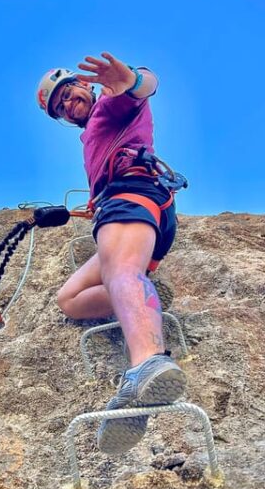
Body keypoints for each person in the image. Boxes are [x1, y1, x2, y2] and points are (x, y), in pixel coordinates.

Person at [36, 52, 186, 454]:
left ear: (85, 85)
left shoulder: (109, 103)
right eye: (61, 106)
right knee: (70, 299)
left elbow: (140, 88)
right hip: (123, 206)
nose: (69, 104)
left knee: (122, 272)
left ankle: (148, 361)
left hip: (132, 197)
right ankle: (141, 295)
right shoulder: (92, 135)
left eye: (69, 92)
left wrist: (132, 78)